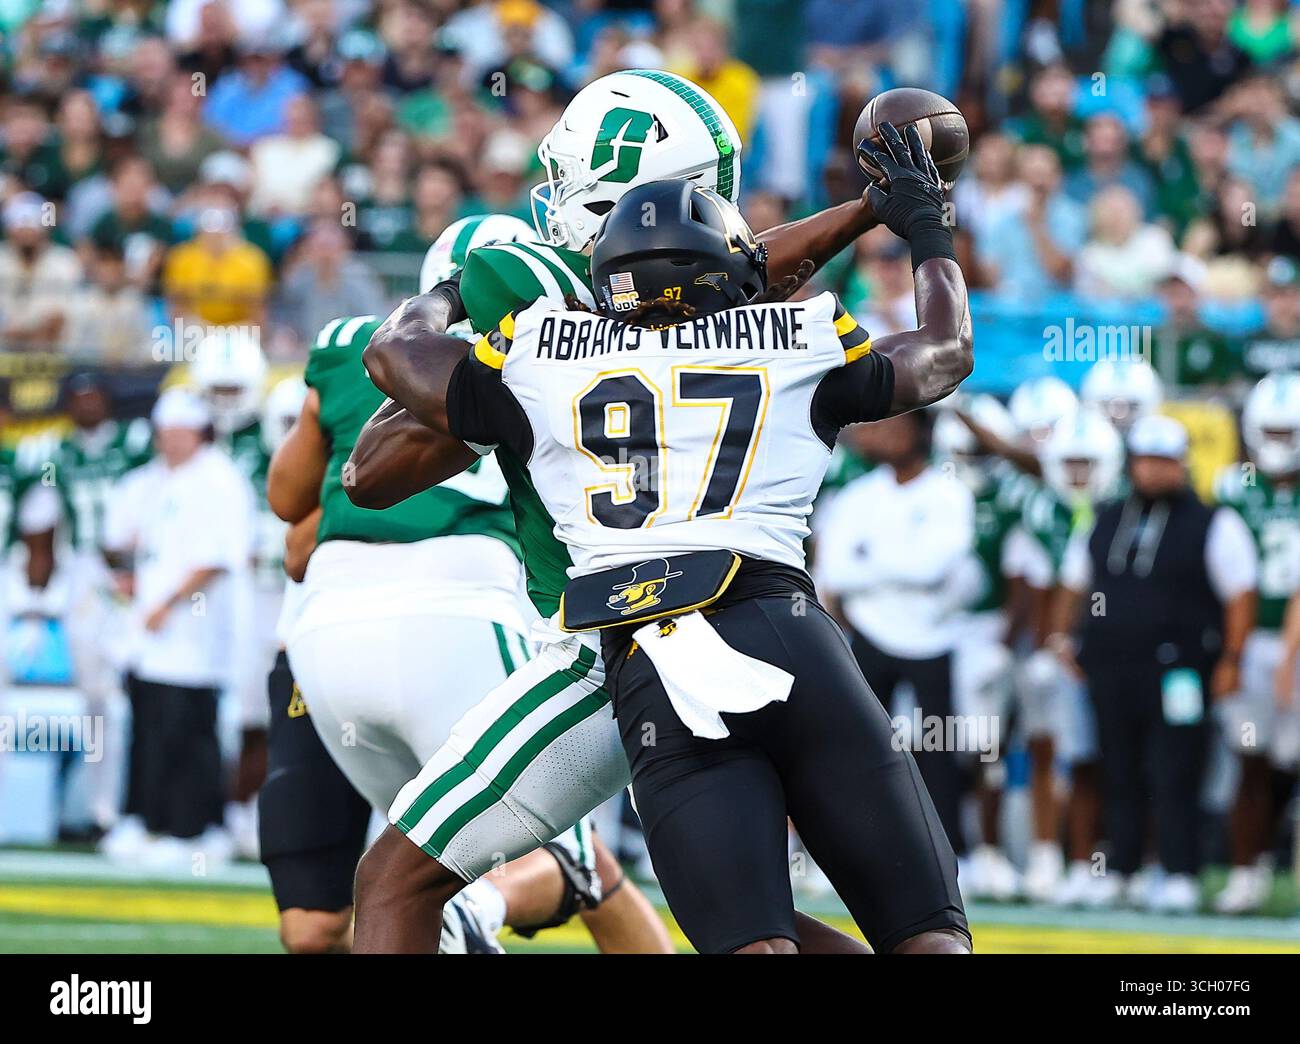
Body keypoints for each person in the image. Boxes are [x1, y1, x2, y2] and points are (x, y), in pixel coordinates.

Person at [356, 123, 973, 953]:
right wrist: (926, 231)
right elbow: (944, 350)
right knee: (927, 939)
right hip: (790, 633)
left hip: (648, 653)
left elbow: (394, 355)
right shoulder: (795, 339)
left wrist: (456, 293)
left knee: (753, 944)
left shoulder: (545, 356)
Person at [264, 219, 672, 955]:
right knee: (566, 861)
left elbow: (290, 511)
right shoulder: (587, 347)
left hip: (325, 632)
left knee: (407, 870)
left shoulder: (348, 342)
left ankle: (464, 914)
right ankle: (480, 912)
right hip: (468, 611)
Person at [1054, 415, 1257, 913]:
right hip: (1111, 667)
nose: (1152, 471)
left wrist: (1231, 659)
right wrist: (1063, 638)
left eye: (1163, 461)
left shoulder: (1213, 521)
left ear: (1182, 464)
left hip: (1181, 668)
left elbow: (1240, 594)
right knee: (1116, 768)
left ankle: (1179, 869)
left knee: (1176, 768)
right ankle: (1122, 868)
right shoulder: (1105, 517)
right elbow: (1075, 581)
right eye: (1145, 460)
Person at [102, 388, 256, 867]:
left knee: (189, 729)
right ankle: (147, 819)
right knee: (148, 726)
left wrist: (167, 602)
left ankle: (194, 827)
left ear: (197, 433)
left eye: (178, 433)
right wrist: (128, 578)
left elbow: (215, 559)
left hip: (195, 628)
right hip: (149, 632)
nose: (169, 442)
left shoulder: (219, 480)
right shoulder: (153, 480)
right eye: (164, 434)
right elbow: (124, 539)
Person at [817, 409, 976, 866]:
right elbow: (837, 570)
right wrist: (898, 566)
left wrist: (873, 562)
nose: (885, 433)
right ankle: (860, 854)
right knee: (861, 747)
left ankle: (950, 855)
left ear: (923, 433)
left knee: (937, 749)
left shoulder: (949, 492)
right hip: (870, 634)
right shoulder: (858, 495)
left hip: (934, 637)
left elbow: (934, 567)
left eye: (898, 426)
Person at [1213, 371, 1300, 913]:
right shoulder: (1231, 485)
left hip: (1293, 643)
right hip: (1247, 642)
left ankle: (1272, 864)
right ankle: (1248, 868)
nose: (1277, 442)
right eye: (1269, 429)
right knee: (1249, 758)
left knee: (1288, 763)